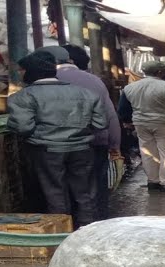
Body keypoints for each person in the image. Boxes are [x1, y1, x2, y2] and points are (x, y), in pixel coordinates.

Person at [7, 50, 107, 227]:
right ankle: (87, 230)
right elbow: (100, 124)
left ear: (30, 71)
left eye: (22, 70)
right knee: (85, 194)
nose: (21, 74)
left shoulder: (23, 97)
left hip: (46, 151)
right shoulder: (86, 93)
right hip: (82, 150)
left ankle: (61, 234)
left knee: (55, 193)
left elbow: (23, 128)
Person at [42, 44, 120, 218]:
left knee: (58, 190)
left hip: (53, 145)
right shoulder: (94, 81)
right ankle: (94, 225)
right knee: (94, 190)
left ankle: (64, 229)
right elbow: (110, 115)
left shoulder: (45, 80)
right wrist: (115, 144)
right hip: (94, 143)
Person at [118, 60, 165, 192]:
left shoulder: (129, 88)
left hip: (141, 124)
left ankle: (153, 182)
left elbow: (123, 110)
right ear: (159, 72)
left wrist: (129, 122)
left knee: (148, 152)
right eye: (164, 70)